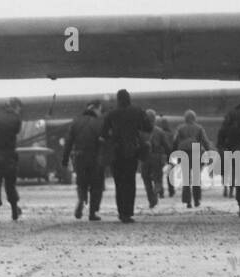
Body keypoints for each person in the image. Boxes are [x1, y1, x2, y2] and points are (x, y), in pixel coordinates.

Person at [99, 89, 150, 223]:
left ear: (118, 99)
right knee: (130, 181)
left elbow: (104, 133)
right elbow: (148, 127)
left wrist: (113, 136)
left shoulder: (112, 114)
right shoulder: (138, 111)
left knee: (119, 183)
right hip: (132, 150)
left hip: (116, 152)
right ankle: (128, 212)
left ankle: (122, 212)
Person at [61, 100, 104, 221]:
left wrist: (65, 159)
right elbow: (104, 142)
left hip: (79, 157)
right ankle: (92, 212)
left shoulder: (76, 122)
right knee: (96, 186)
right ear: (96, 109)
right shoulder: (99, 122)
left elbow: (68, 142)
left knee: (81, 183)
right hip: (94, 158)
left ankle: (81, 199)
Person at [171, 109, 211, 208]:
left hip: (184, 152)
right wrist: (208, 152)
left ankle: (188, 201)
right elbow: (205, 141)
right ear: (194, 118)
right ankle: (197, 200)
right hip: (196, 151)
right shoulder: (199, 128)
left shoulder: (180, 128)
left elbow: (175, 142)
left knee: (186, 179)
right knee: (196, 178)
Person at [141, 111, 173, 209]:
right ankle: (156, 191)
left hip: (145, 158)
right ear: (154, 119)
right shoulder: (159, 131)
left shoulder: (141, 131)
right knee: (157, 179)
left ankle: (151, 199)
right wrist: (170, 156)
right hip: (157, 158)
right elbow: (166, 146)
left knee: (146, 179)